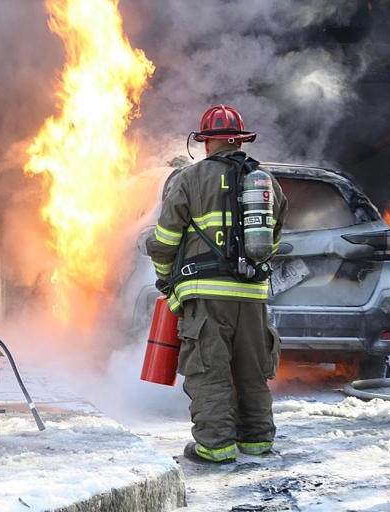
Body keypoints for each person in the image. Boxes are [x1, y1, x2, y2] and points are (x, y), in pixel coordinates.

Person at [146, 105, 287, 464]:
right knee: (252, 370)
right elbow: (273, 239)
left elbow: (164, 239)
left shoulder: (190, 179)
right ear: (239, 140)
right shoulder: (265, 182)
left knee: (209, 371)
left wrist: (166, 279)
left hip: (206, 294)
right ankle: (256, 442)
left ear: (206, 142)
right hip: (252, 295)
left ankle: (215, 448)